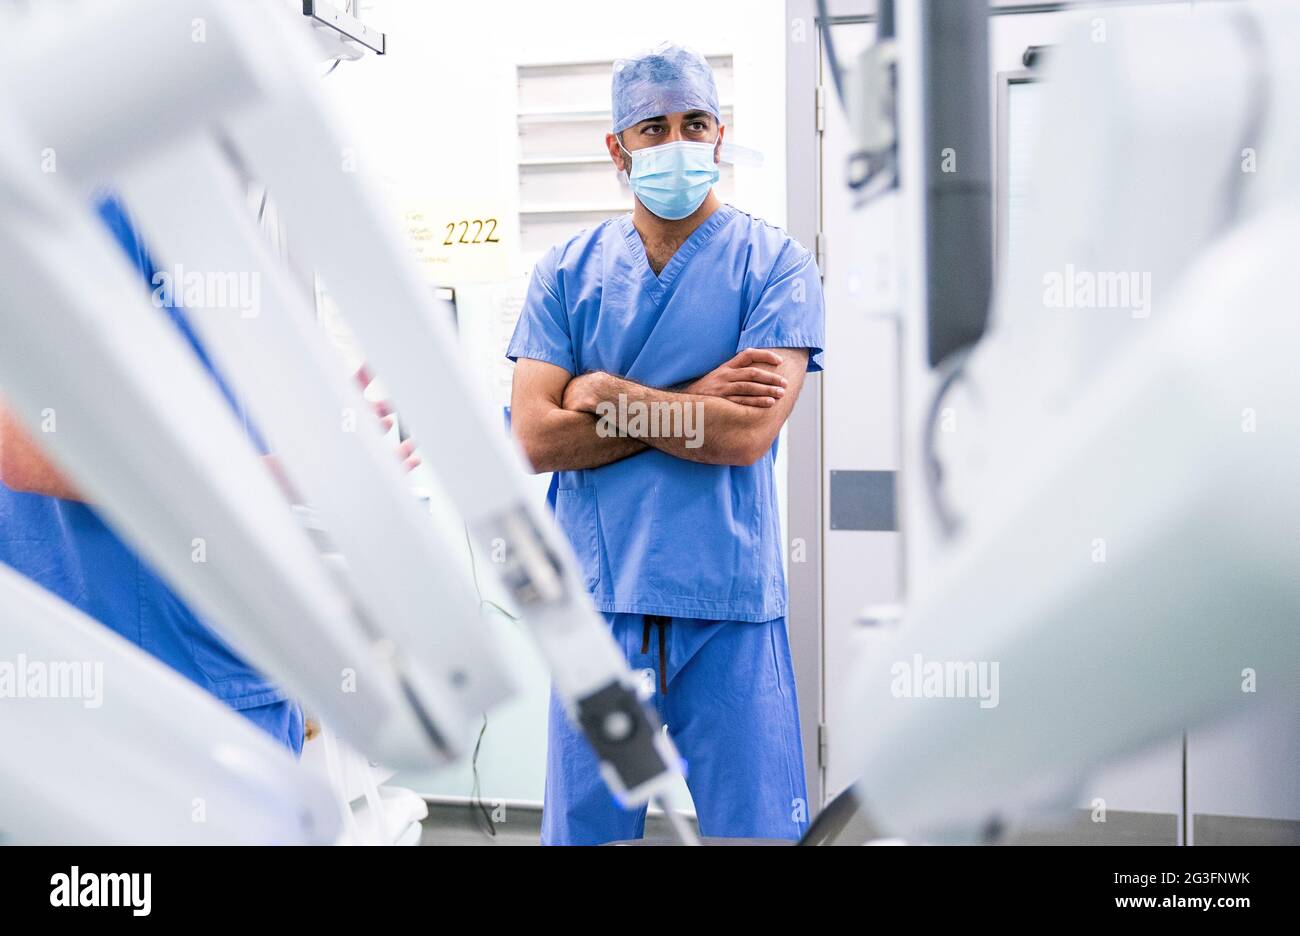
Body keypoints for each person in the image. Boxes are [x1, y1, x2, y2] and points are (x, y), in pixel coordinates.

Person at [507, 43, 825, 844]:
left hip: (727, 606)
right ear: (618, 148)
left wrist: (605, 395)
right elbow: (537, 438)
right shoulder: (566, 274)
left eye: (695, 122)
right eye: (653, 127)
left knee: (754, 829)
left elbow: (747, 432)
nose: (677, 141)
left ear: (720, 134)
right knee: (588, 832)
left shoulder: (776, 266)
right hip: (600, 612)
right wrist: (693, 405)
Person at [0, 193, 415, 752]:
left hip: (219, 660)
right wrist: (282, 471)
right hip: (146, 675)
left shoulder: (204, 215)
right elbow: (23, 448)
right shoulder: (100, 205)